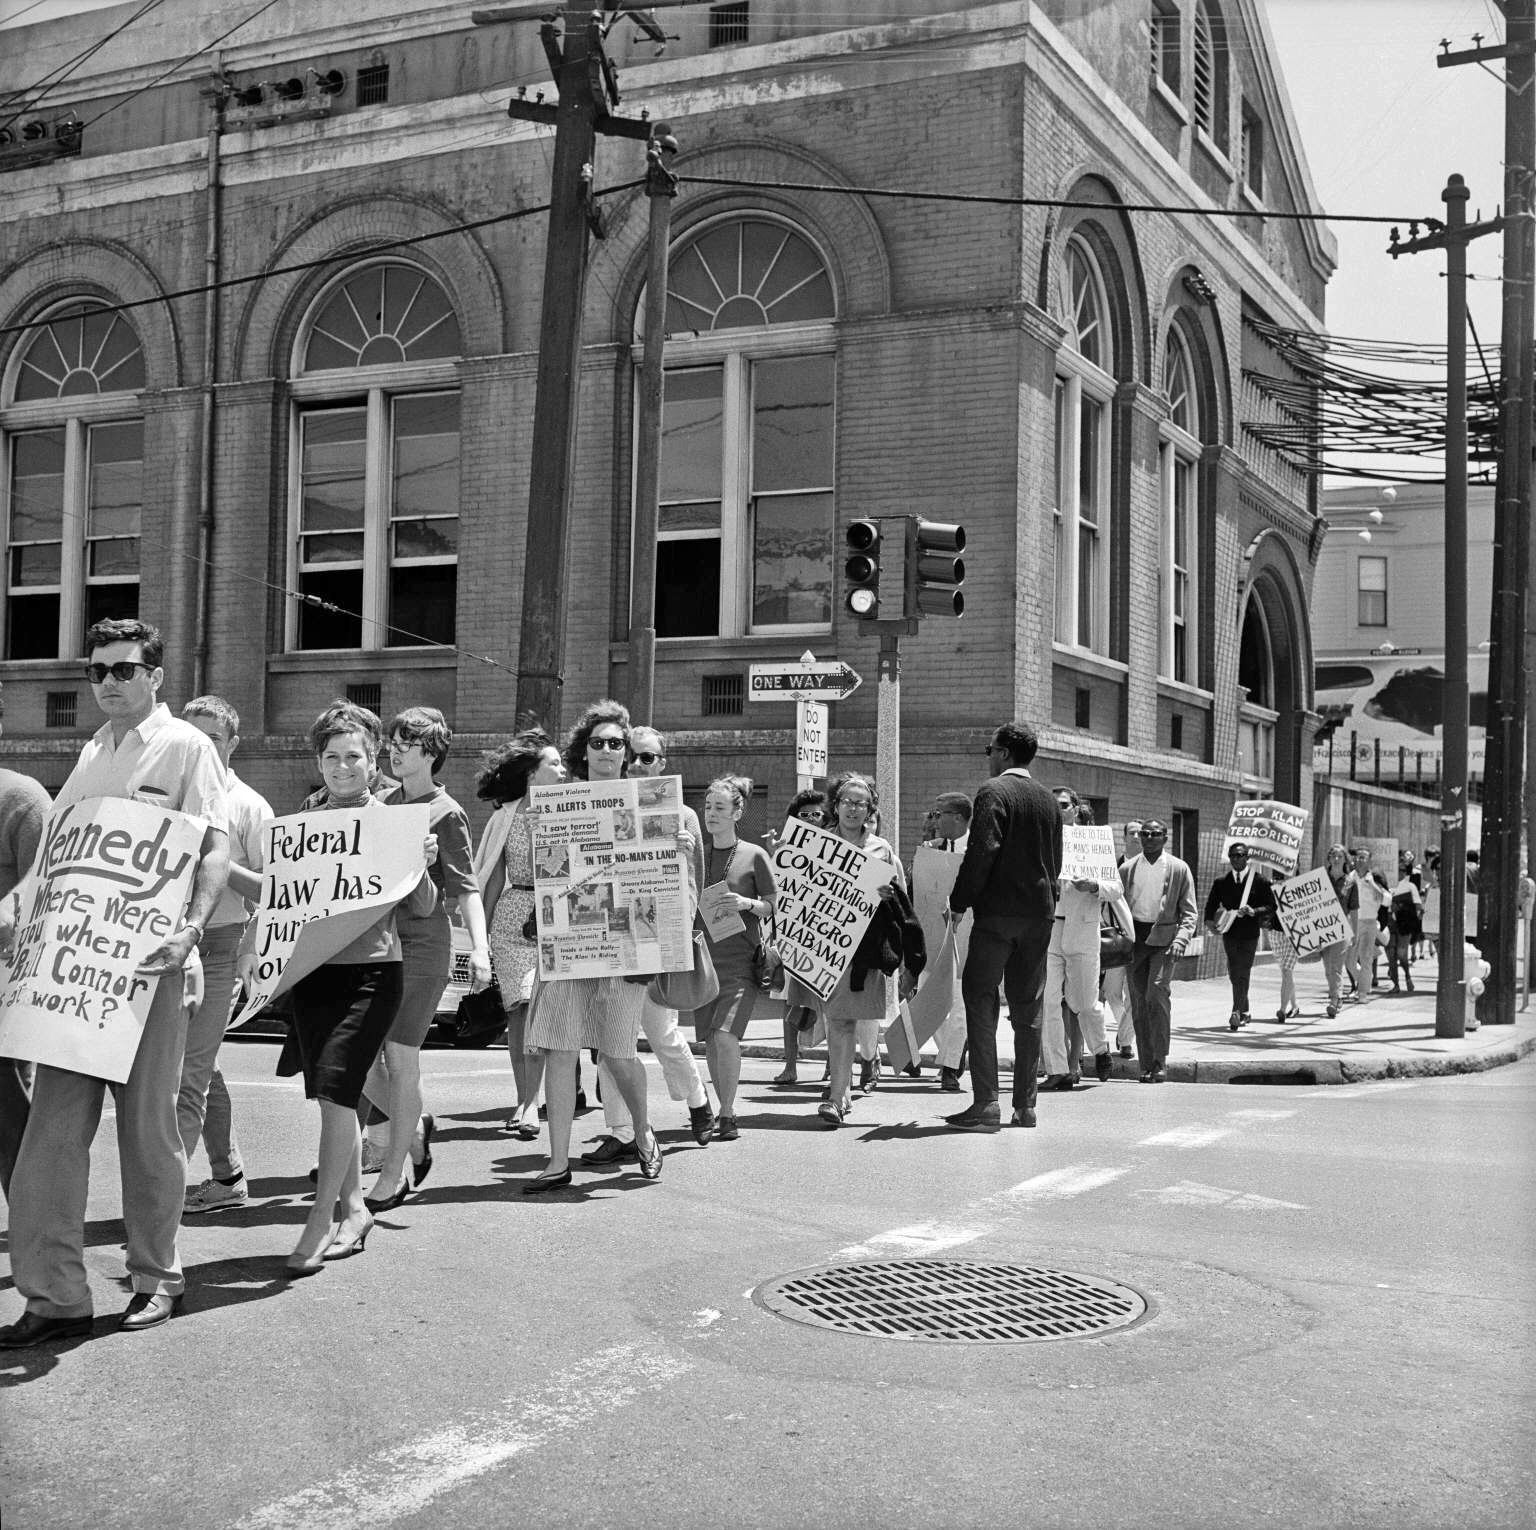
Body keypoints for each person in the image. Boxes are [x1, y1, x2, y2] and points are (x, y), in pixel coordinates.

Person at [0, 619, 230, 1346]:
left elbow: (214, 847)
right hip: (76, 975)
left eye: (125, 669)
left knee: (147, 1131)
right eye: (99, 670)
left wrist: (191, 930)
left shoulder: (187, 747)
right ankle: (56, 1295)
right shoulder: (92, 751)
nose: (108, 681)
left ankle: (157, 1277)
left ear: (156, 676)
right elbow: (55, 863)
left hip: (150, 969)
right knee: (50, 1138)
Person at [244, 701, 438, 1276]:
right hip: (310, 975)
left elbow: (424, 907)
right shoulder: (303, 822)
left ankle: (320, 1219)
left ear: (373, 759)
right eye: (331, 756)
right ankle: (355, 1209)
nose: (342, 766)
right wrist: (257, 948)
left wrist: (420, 863)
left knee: (335, 1093)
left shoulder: (395, 820)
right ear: (319, 761)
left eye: (354, 756)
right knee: (337, 1097)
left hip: (373, 974)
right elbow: (280, 899)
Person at [520, 700, 666, 1192]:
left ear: (628, 752)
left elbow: (666, 884)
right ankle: (557, 1161)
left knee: (618, 1052)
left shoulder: (651, 800)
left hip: (628, 944)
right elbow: (547, 875)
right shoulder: (560, 803)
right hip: (570, 942)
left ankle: (642, 1132)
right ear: (584, 751)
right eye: (597, 743)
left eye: (616, 743)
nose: (606, 750)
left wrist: (680, 849)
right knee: (560, 1050)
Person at [361, 708, 492, 1211]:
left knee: (399, 1058)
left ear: (431, 754)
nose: (394, 751)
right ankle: (413, 1124)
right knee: (364, 1056)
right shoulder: (383, 803)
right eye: (392, 742)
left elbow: (466, 890)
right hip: (380, 943)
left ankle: (393, 1176)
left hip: (423, 946)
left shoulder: (447, 812)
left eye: (406, 744)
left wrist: (479, 950)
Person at [582, 724, 714, 1162]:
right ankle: (621, 1131)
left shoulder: (684, 815)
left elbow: (694, 885)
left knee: (662, 1035)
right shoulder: (604, 804)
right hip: (610, 937)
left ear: (662, 764)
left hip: (656, 940)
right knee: (609, 1040)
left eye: (648, 757)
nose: (637, 764)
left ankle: (698, 1102)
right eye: (632, 755)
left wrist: (674, 933)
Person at [177, 696, 273, 1215]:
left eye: (212, 738)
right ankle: (227, 1175)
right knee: (198, 1067)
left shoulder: (249, 806)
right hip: (166, 944)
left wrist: (214, 858)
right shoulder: (170, 792)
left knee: (188, 1074)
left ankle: (159, 1202)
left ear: (233, 743)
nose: (202, 747)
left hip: (219, 945)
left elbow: (272, 890)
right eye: (193, 736)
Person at [943, 721, 1061, 1132]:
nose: (989, 756)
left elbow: (983, 851)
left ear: (1006, 753)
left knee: (979, 999)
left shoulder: (994, 791)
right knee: (1028, 1009)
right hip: (1040, 914)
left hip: (997, 916)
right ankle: (1025, 1107)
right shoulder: (1048, 799)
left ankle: (986, 1104)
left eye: (991, 749)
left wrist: (958, 902)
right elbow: (1055, 861)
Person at [476, 730, 566, 1140]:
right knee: (521, 1009)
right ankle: (526, 1102)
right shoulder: (504, 816)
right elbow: (492, 878)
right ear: (533, 773)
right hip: (512, 923)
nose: (563, 770)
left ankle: (533, 1101)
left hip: (560, 920)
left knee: (541, 1013)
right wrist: (477, 941)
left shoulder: (571, 812)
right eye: (555, 764)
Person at [680, 775, 775, 1140]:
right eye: (707, 807)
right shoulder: (695, 853)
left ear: (738, 812)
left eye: (720, 808)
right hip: (703, 960)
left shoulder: (755, 855)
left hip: (740, 963)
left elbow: (772, 907)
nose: (711, 814)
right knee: (711, 1041)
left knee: (725, 1035)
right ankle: (721, 1107)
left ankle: (727, 1111)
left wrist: (746, 903)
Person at [826, 771, 906, 1101]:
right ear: (836, 806)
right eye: (847, 802)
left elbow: (901, 899)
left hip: (863, 949)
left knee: (847, 1020)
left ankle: (837, 1094)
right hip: (825, 947)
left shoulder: (882, 849)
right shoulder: (819, 842)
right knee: (838, 1022)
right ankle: (839, 1093)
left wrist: (888, 894)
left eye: (861, 804)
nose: (853, 809)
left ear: (870, 810)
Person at [0, 683, 50, 1200]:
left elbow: (46, 891)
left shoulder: (24, 798)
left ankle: (32, 1232)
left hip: (5, 990)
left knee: (10, 1119)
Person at [1039, 789, 1119, 1089]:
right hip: (1050, 929)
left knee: (1084, 1003)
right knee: (1048, 1002)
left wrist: (1095, 886)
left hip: (1083, 930)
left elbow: (1116, 889)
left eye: (1063, 806)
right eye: (1053, 806)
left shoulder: (1092, 843)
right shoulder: (1043, 841)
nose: (1057, 811)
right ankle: (1058, 1070)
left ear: (1075, 809)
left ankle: (1100, 1048)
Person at [1119, 819, 1197, 1083]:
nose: (1150, 837)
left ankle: (1160, 1061)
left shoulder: (1178, 868)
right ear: (1139, 838)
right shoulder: (1127, 869)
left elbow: (1189, 912)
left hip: (1164, 939)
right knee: (1139, 1002)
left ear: (1165, 838)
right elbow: (1116, 908)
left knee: (1156, 995)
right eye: (1145, 833)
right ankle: (1146, 1063)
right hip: (1134, 940)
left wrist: (1181, 940)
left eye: (1156, 834)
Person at [769, 788, 828, 1086]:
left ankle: (833, 1067)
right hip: (793, 938)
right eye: (803, 815)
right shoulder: (784, 848)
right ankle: (790, 1064)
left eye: (816, 814)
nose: (810, 820)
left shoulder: (836, 849)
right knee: (789, 1002)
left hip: (827, 940)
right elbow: (773, 894)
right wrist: (774, 856)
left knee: (829, 1005)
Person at [916, 790, 973, 1092]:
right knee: (928, 993)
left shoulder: (979, 849)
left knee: (961, 998)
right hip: (935, 930)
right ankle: (951, 1050)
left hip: (968, 927)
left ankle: (950, 1065)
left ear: (960, 817)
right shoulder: (932, 848)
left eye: (941, 814)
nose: (935, 820)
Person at [1203, 842, 1277, 1030]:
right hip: (1229, 932)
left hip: (1250, 934)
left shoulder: (1259, 881)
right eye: (1233, 856)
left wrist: (1254, 911)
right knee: (1234, 972)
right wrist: (1210, 924)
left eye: (1240, 855)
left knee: (1243, 970)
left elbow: (1271, 906)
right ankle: (1245, 1010)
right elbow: (1210, 907)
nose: (1236, 859)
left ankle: (1236, 1012)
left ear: (1247, 858)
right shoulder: (1221, 882)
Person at [1100, 819, 1141, 1059]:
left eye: (1140, 832)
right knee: (1112, 992)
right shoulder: (1112, 867)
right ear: (1124, 837)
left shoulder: (1150, 866)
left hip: (1142, 939)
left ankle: (1126, 1040)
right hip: (1116, 938)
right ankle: (1123, 1027)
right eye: (1132, 832)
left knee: (1135, 993)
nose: (1136, 836)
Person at [1348, 846, 1390, 992]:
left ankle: (1363, 994)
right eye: (1358, 857)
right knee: (1349, 961)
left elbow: (1387, 901)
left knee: (1366, 959)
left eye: (1364, 857)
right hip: (1352, 923)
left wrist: (1372, 884)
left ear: (1369, 861)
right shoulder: (1349, 878)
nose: (1360, 860)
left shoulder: (1375, 877)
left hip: (1369, 922)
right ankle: (1365, 982)